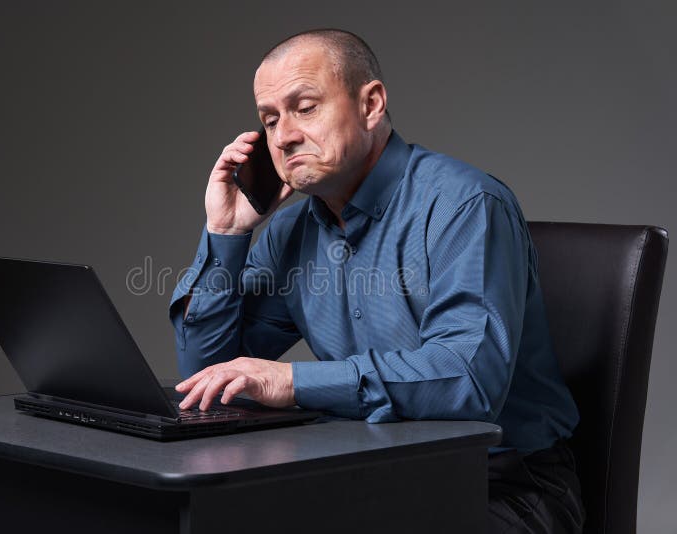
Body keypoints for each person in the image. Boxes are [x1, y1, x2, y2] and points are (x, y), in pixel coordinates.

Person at [168, 29, 585, 533]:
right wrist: (226, 233)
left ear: (371, 105)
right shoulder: (290, 231)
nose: (283, 136)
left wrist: (293, 382)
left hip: (502, 485)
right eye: (271, 119)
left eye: (305, 108)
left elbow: (468, 382)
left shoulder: (466, 206)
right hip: (371, 477)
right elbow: (209, 383)